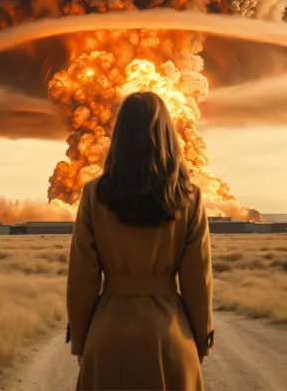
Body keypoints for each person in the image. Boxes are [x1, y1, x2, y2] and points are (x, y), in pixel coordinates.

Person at [67, 91, 212, 390]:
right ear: (168, 135)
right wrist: (201, 341)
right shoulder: (189, 197)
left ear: (119, 134)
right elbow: (198, 280)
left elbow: (82, 277)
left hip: (108, 338)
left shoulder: (95, 195)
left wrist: (80, 340)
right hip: (172, 338)